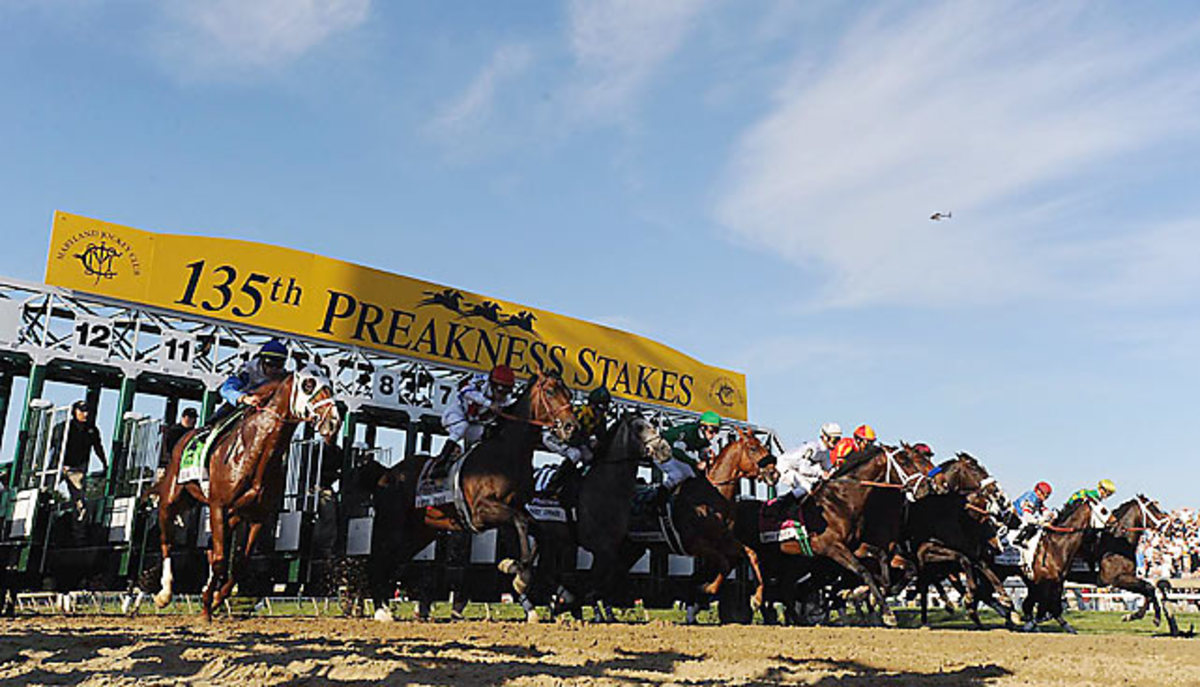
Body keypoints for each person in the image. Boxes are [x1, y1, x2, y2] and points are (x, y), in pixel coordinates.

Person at [438, 364, 517, 461]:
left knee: (489, 437)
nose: (502, 396)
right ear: (492, 385)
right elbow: (465, 391)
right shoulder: (482, 383)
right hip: (456, 415)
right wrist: (488, 403)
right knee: (461, 426)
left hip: (474, 424)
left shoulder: (506, 400)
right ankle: (442, 459)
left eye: (506, 392)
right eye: (500, 390)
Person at [766, 422, 842, 517]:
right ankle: (777, 506)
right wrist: (821, 473)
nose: (836, 443)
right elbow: (803, 468)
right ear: (825, 437)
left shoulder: (825, 452)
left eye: (838, 439)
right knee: (805, 487)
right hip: (785, 467)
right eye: (835, 439)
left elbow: (829, 469)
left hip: (797, 469)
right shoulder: (813, 448)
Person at [210, 339, 290, 426]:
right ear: (262, 360)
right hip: (243, 404)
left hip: (268, 408)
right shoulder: (247, 370)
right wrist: (244, 398)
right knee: (219, 418)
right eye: (270, 364)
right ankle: (207, 431)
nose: (274, 369)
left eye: (279, 365)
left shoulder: (283, 377)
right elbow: (225, 389)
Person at [655, 410, 721, 504]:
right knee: (681, 473)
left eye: (717, 431)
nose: (714, 435)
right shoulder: (689, 432)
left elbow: (702, 450)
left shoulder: (704, 438)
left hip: (674, 452)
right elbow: (678, 451)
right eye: (712, 431)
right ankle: (658, 500)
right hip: (660, 451)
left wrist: (707, 456)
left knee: (694, 474)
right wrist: (696, 463)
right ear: (702, 427)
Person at [62, 400, 108, 528]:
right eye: (82, 411)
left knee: (79, 503)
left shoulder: (92, 430)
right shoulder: (64, 427)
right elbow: (52, 445)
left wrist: (105, 464)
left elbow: (98, 447)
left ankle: (78, 535)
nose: (85, 414)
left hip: (77, 469)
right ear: (74, 412)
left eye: (87, 411)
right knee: (43, 493)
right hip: (59, 467)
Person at [1011, 481, 1053, 546]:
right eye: (1046, 495)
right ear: (1039, 492)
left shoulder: (1038, 500)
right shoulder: (1031, 497)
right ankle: (1018, 541)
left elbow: (1044, 510)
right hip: (1015, 517)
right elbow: (1027, 516)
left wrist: (1051, 515)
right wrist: (1040, 522)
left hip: (1021, 517)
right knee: (1032, 527)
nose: (1046, 498)